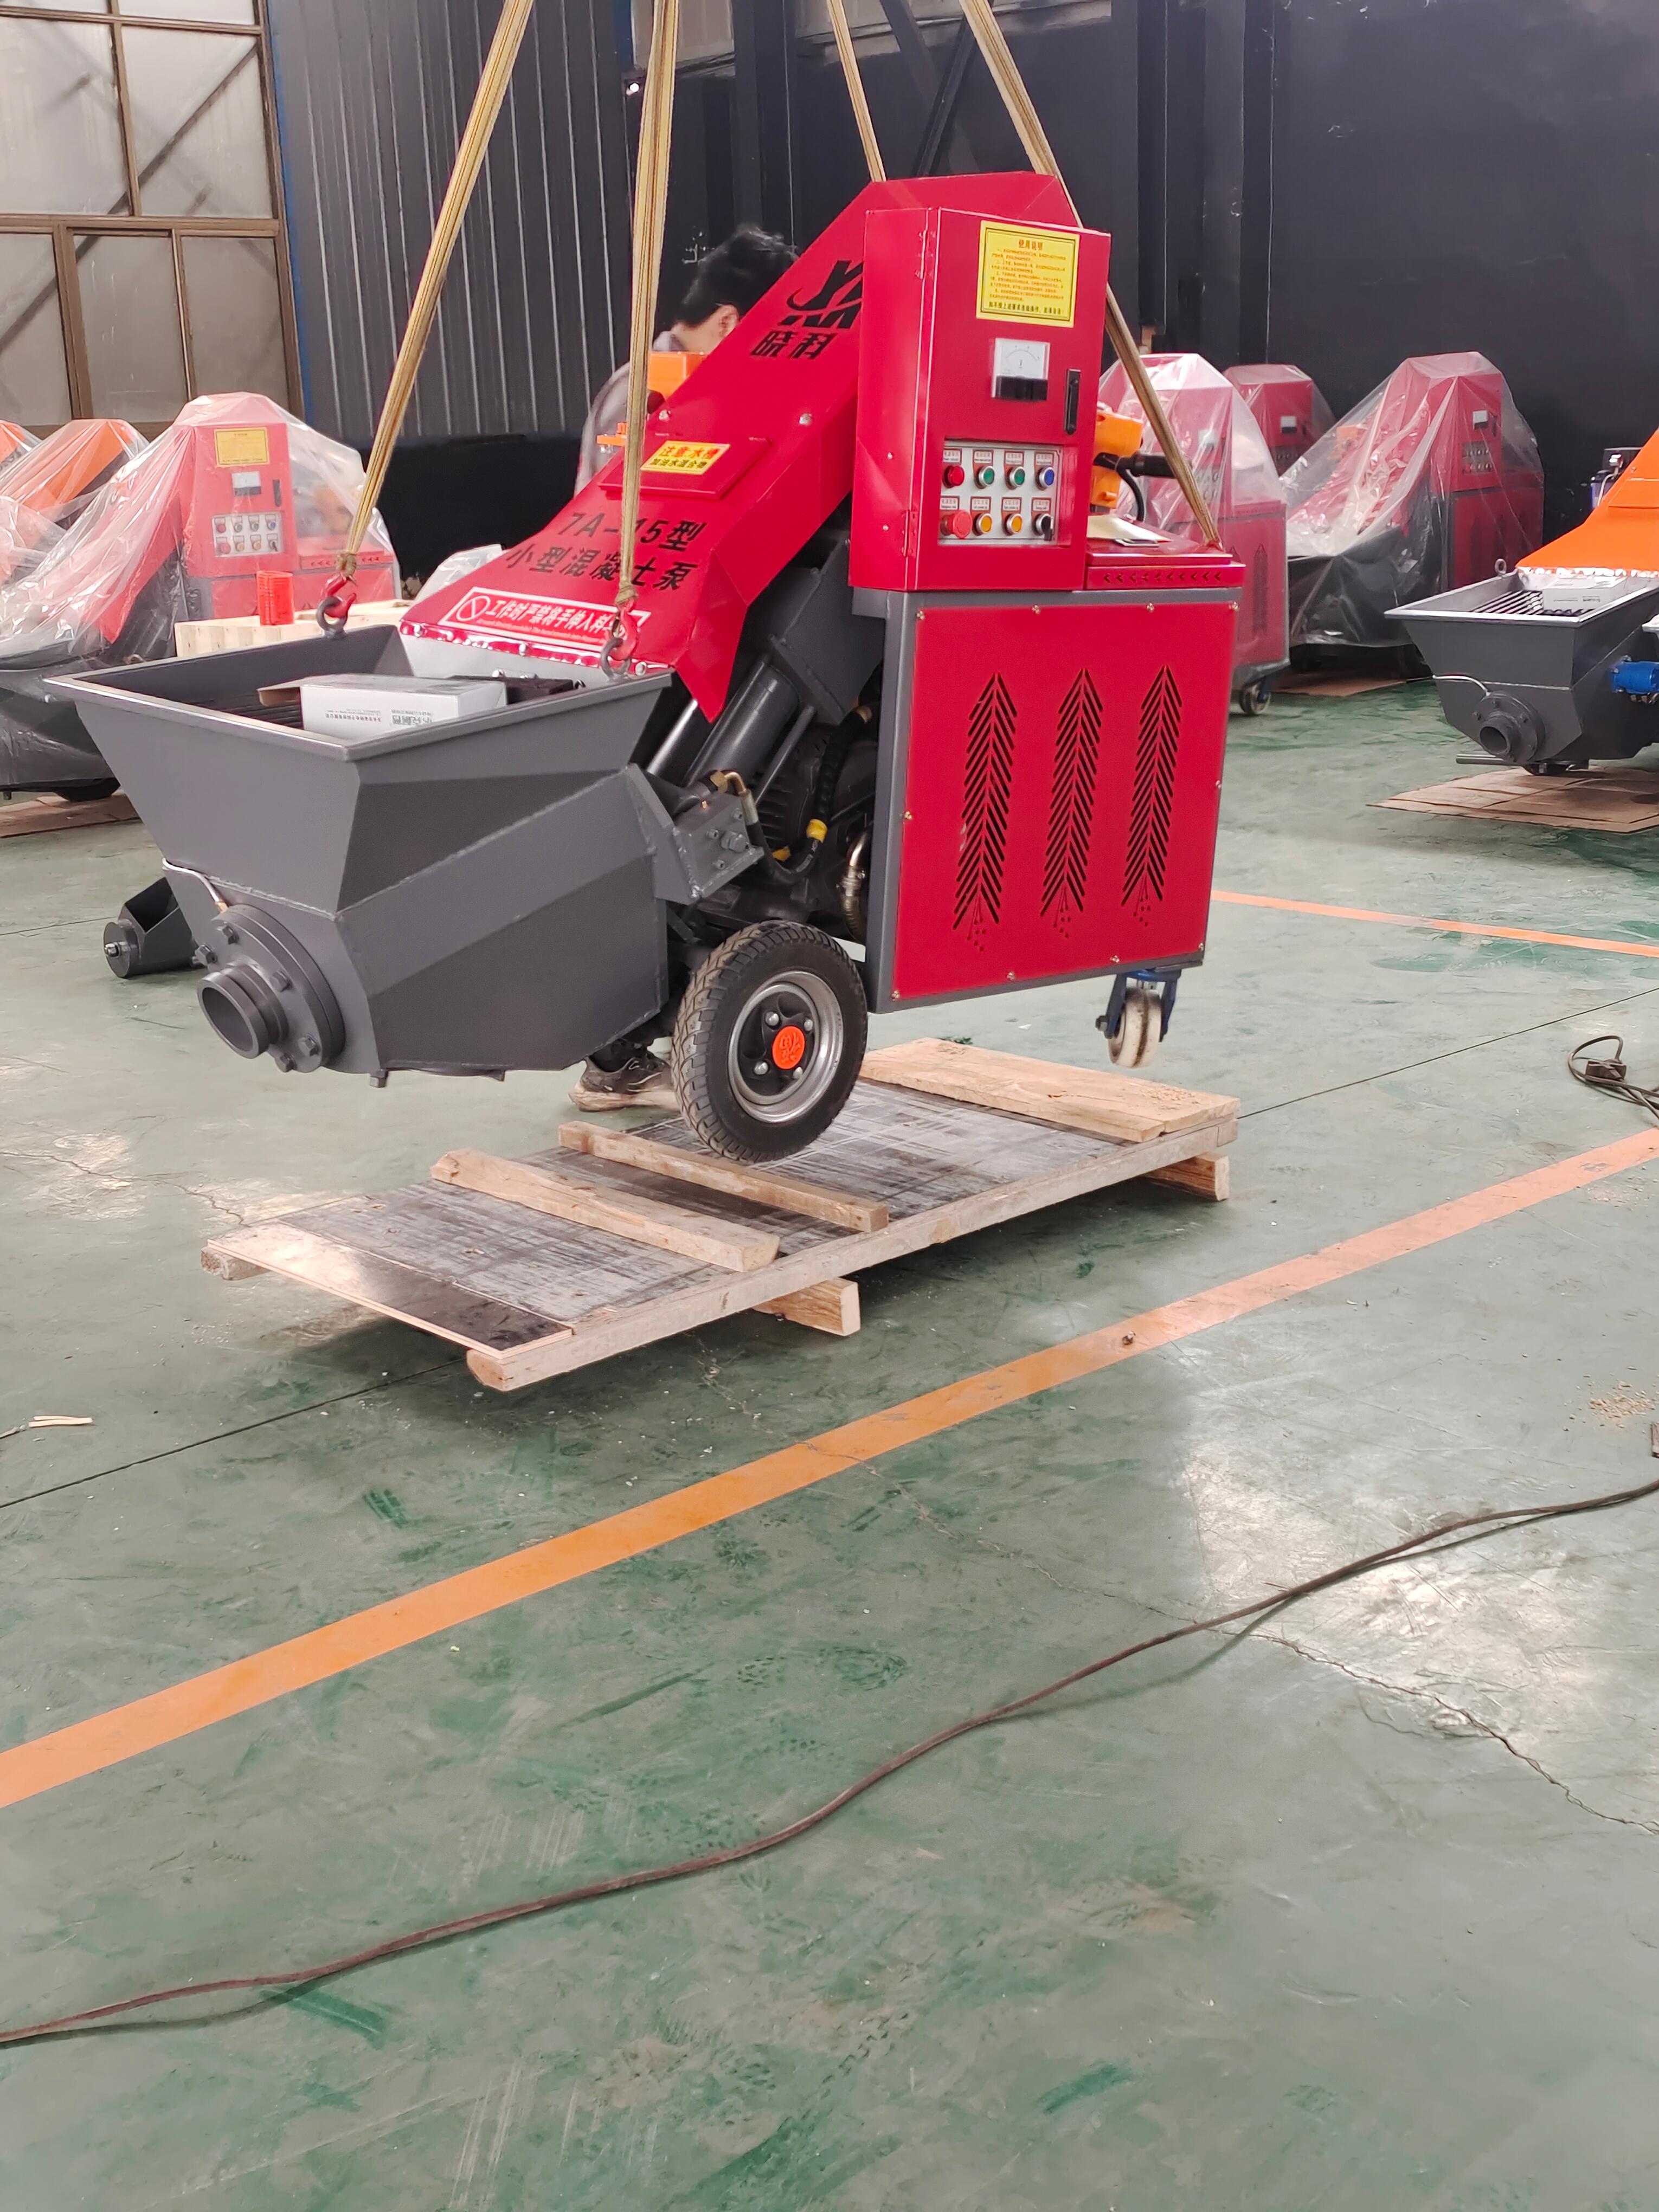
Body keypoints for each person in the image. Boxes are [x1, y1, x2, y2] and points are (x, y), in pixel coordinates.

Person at [571, 225, 795, 1113]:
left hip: (658, 641)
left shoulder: (663, 379)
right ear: (734, 320)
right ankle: (616, 1051)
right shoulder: (656, 389)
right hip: (641, 648)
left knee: (665, 839)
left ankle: (623, 1046)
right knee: (659, 841)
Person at [575, 224, 796, 491]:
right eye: (770, 342)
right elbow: (616, 506)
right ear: (727, 322)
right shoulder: (640, 392)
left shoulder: (700, 390)